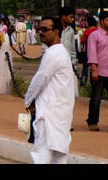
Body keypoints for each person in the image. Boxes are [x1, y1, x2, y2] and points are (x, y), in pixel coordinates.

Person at [26, 16, 76, 163]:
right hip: (59, 112)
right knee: (58, 156)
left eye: (45, 29)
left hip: (49, 112)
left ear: (56, 32)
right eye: (39, 29)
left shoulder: (54, 53)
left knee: (42, 153)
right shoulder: (59, 52)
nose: (41, 32)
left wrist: (28, 100)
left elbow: (40, 79)